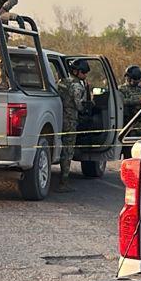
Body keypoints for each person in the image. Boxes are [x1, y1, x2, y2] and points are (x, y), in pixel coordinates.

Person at [55, 58, 94, 192]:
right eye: (84, 72)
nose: (85, 75)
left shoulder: (61, 82)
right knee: (67, 151)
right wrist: (87, 106)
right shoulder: (78, 86)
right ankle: (63, 182)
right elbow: (79, 105)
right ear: (77, 72)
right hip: (70, 121)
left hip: (58, 117)